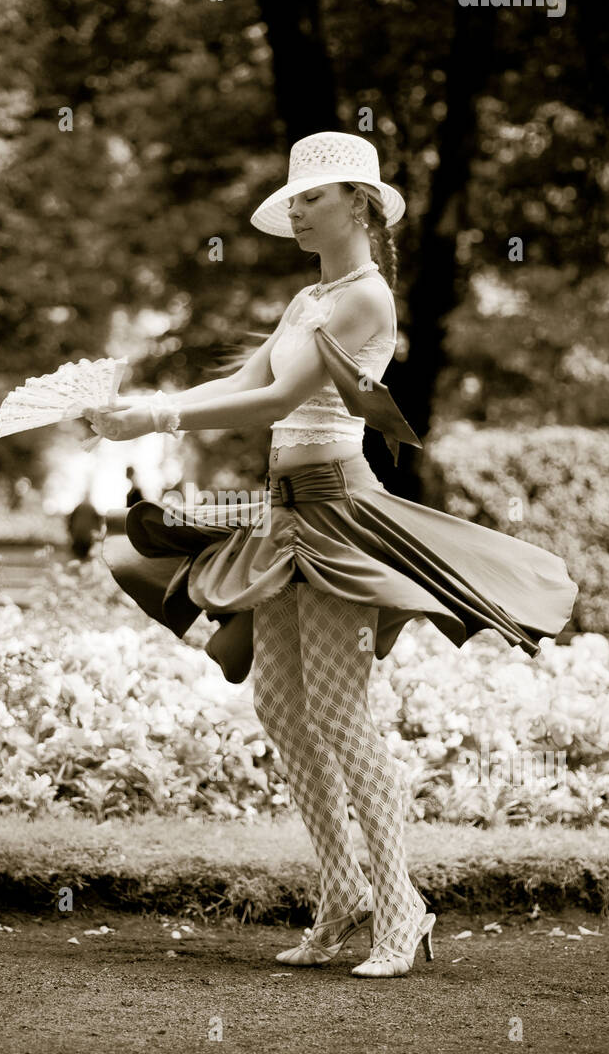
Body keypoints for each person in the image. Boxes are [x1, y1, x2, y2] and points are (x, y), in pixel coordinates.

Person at [91, 131, 578, 980]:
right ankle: (344, 894)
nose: (294, 210)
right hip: (284, 515)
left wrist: (158, 419)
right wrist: (144, 406)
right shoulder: (306, 298)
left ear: (356, 200)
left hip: (335, 514)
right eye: (291, 200)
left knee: (342, 717)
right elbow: (244, 386)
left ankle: (401, 911)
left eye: (309, 198)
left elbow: (278, 399)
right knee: (281, 708)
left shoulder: (365, 300)